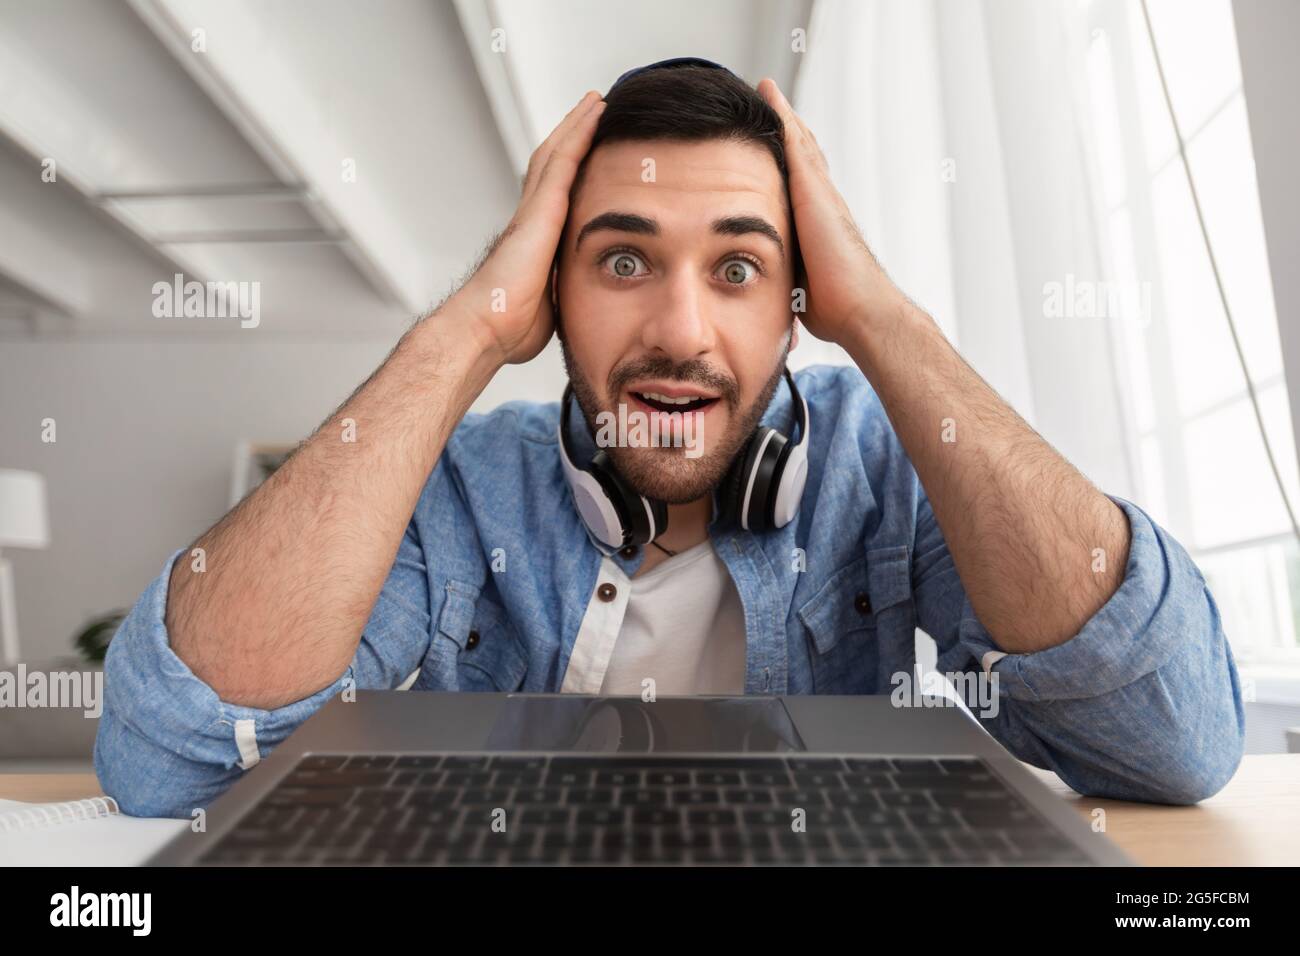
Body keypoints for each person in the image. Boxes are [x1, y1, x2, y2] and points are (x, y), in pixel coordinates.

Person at [95, 59, 1244, 818]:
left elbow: (1170, 742)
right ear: (553, 288)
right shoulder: (459, 490)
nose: (680, 330)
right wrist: (469, 326)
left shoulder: (887, 465)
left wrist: (883, 316)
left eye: (738, 268)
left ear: (801, 298)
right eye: (623, 260)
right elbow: (168, 756)